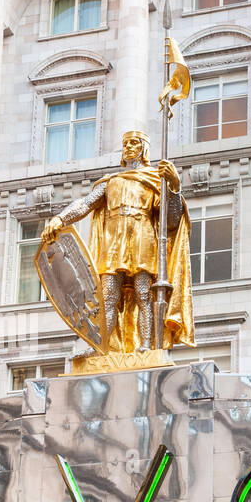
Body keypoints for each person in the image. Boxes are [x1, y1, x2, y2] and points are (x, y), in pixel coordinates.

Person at [42, 131, 194, 352]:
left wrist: (174, 188)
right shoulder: (111, 182)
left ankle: (145, 346)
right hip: (114, 241)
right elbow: (85, 204)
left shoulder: (154, 180)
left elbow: (171, 220)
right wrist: (60, 218)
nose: (129, 147)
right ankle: (101, 347)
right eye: (125, 143)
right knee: (108, 296)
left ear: (144, 149)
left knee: (144, 293)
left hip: (143, 237)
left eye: (134, 143)